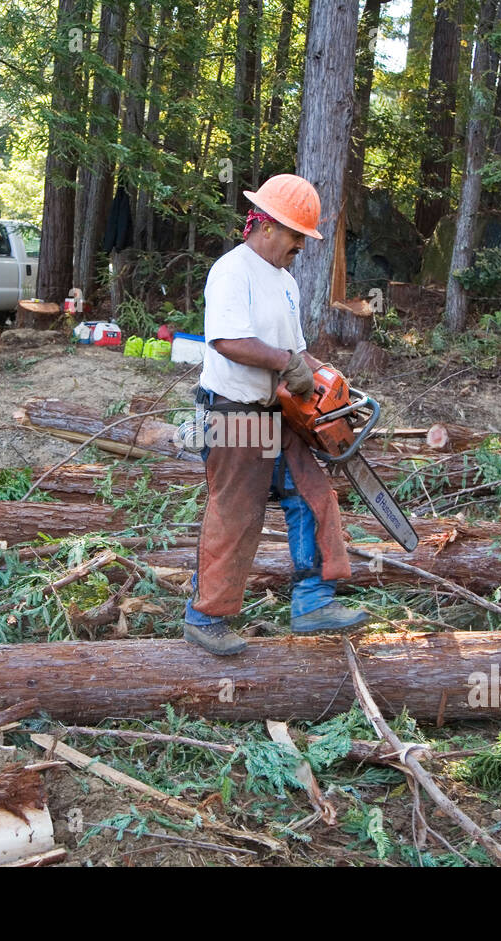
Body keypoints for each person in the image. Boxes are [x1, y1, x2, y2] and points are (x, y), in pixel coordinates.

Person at [183, 173, 370, 656]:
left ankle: (313, 601)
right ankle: (206, 617)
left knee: (311, 493)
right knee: (237, 512)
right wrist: (286, 363)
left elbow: (297, 351)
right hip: (234, 412)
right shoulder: (233, 271)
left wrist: (330, 380)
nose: (300, 248)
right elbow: (227, 341)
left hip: (276, 412)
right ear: (266, 226)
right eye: (295, 237)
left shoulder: (285, 281)